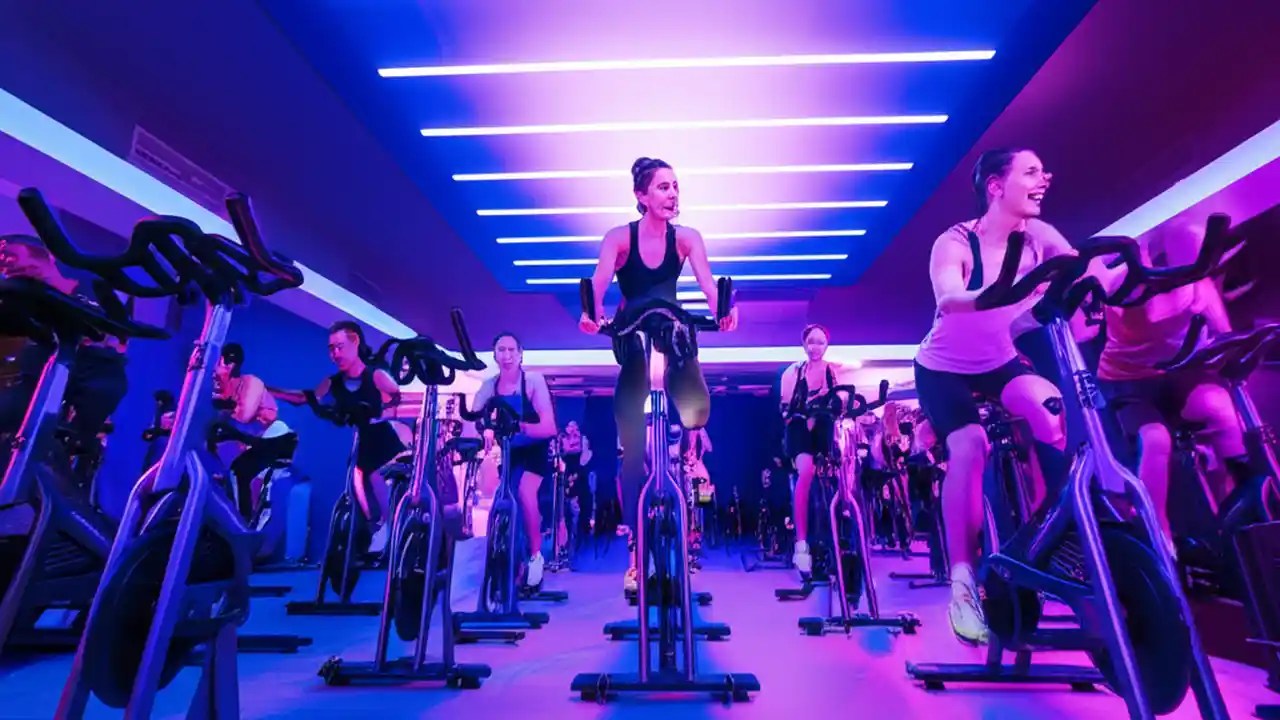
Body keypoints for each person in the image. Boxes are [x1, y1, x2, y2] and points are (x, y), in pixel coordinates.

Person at [912, 148, 1124, 646]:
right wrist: (992, 296)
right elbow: (948, 296)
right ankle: (962, 583)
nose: (1044, 177)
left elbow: (1089, 274)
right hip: (943, 369)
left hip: (1002, 361)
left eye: (1044, 170)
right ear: (995, 186)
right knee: (970, 445)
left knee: (1053, 415)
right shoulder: (956, 241)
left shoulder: (1040, 238)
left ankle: (1048, 539)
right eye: (1031, 171)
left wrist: (1122, 278)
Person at [578, 156, 739, 592]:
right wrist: (591, 314)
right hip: (631, 330)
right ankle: (634, 556)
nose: (672, 194)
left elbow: (708, 285)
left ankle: (684, 457)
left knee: (695, 410)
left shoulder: (687, 238)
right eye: (663, 187)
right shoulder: (619, 238)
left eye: (675, 187)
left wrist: (722, 311)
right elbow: (598, 281)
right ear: (641, 196)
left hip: (670, 324)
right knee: (631, 448)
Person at [1096, 223, 1245, 544]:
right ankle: (1158, 534)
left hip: (1175, 377)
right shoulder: (1127, 284)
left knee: (1224, 413)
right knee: (1156, 439)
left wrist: (1233, 349)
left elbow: (1224, 331)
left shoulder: (1199, 283)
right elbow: (1152, 318)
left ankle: (1239, 515)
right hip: (1127, 385)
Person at [269, 321, 410, 553]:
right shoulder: (333, 383)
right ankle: (376, 531)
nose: (335, 353)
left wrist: (381, 413)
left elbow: (395, 396)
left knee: (375, 478)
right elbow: (308, 397)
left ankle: (393, 530)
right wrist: (272, 390)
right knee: (355, 485)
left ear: (355, 342)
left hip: (383, 442)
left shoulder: (375, 376)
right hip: (361, 443)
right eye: (331, 348)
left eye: (340, 346)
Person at [0, 234, 130, 446]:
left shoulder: (91, 283)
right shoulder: (19, 294)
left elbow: (117, 334)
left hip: (96, 369)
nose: (4, 262)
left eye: (9, 253)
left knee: (95, 405)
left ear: (47, 256)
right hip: (41, 370)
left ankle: (76, 446)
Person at [469, 332, 557, 587]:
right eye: (501, 350)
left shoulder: (532, 381)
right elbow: (474, 416)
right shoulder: (490, 386)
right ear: (494, 355)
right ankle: (509, 556)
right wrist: (481, 430)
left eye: (511, 350)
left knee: (524, 492)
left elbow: (549, 426)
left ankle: (535, 556)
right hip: (509, 450)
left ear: (520, 354)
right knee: (501, 496)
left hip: (535, 449)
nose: (506, 356)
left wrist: (520, 427)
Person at [778, 323, 851, 572]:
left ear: (826, 345)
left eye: (820, 342)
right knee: (806, 472)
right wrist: (802, 414)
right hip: (799, 427)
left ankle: (839, 529)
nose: (815, 347)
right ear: (804, 345)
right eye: (811, 342)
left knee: (835, 470)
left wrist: (839, 405)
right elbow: (785, 408)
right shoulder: (793, 373)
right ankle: (801, 545)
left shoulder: (832, 372)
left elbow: (839, 400)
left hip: (823, 424)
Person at [211, 343, 293, 519]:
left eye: (221, 363)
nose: (215, 371)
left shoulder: (251, 383)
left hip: (276, 436)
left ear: (232, 364)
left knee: (238, 471)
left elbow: (244, 415)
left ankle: (242, 524)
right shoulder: (223, 392)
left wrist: (223, 408)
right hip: (253, 440)